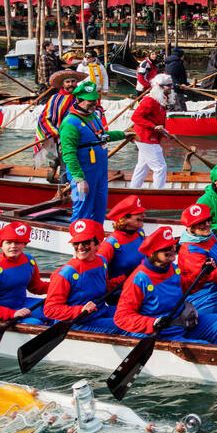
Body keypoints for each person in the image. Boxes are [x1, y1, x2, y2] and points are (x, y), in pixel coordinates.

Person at [114, 226, 217, 343]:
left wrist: (203, 273)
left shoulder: (171, 267)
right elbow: (121, 317)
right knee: (206, 345)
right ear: (153, 253)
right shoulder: (139, 280)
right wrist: (153, 323)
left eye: (172, 246)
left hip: (183, 323)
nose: (172, 250)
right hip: (163, 334)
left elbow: (185, 287)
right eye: (166, 248)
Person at [43, 219, 123, 334]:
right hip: (78, 322)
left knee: (140, 311)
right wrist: (80, 309)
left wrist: (126, 279)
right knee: (129, 324)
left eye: (85, 242)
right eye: (76, 243)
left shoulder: (102, 261)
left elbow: (104, 287)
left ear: (97, 244)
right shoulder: (66, 273)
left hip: (100, 311)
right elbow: (50, 310)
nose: (80, 247)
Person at [61, 80, 125, 225]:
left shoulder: (93, 116)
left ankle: (96, 238)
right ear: (78, 100)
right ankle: (78, 240)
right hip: (83, 174)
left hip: (99, 173)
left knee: (100, 208)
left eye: (95, 100)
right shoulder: (70, 123)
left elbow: (102, 136)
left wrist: (123, 135)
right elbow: (68, 154)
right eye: (89, 101)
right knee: (82, 209)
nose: (94, 103)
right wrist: (79, 179)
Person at [0, 222, 48, 322]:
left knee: (54, 310)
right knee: (36, 323)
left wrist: (61, 285)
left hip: (20, 304)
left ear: (24, 244)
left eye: (17, 242)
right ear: (1, 245)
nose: (13, 246)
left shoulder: (29, 261)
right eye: (8, 243)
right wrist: (12, 314)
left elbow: (36, 287)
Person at [176, 202, 217, 312]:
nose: (207, 224)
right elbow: (212, 277)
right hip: (204, 296)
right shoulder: (189, 249)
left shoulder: (210, 236)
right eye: (201, 223)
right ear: (192, 227)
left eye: (208, 220)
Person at [130, 74, 171, 190]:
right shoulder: (150, 100)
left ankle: (133, 189)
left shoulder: (161, 100)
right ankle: (159, 193)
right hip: (145, 137)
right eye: (169, 85)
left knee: (142, 166)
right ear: (161, 87)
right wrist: (153, 126)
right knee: (160, 167)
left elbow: (158, 121)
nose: (171, 87)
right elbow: (135, 117)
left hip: (149, 137)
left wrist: (165, 133)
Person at [97, 196, 148, 284]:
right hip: (121, 292)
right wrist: (124, 278)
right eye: (138, 213)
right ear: (125, 219)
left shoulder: (139, 233)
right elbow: (97, 276)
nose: (144, 215)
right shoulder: (110, 244)